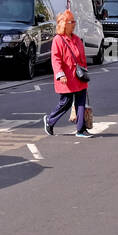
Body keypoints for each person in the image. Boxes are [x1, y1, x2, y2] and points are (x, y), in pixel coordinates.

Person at [44, 9, 91, 138]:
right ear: (64, 24)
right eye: (72, 21)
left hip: (79, 76)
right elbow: (56, 59)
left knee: (81, 102)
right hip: (66, 77)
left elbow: (82, 58)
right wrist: (60, 74)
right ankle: (50, 120)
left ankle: (81, 129)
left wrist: (85, 73)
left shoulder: (77, 39)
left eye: (74, 21)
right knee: (66, 102)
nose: (74, 24)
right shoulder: (58, 40)